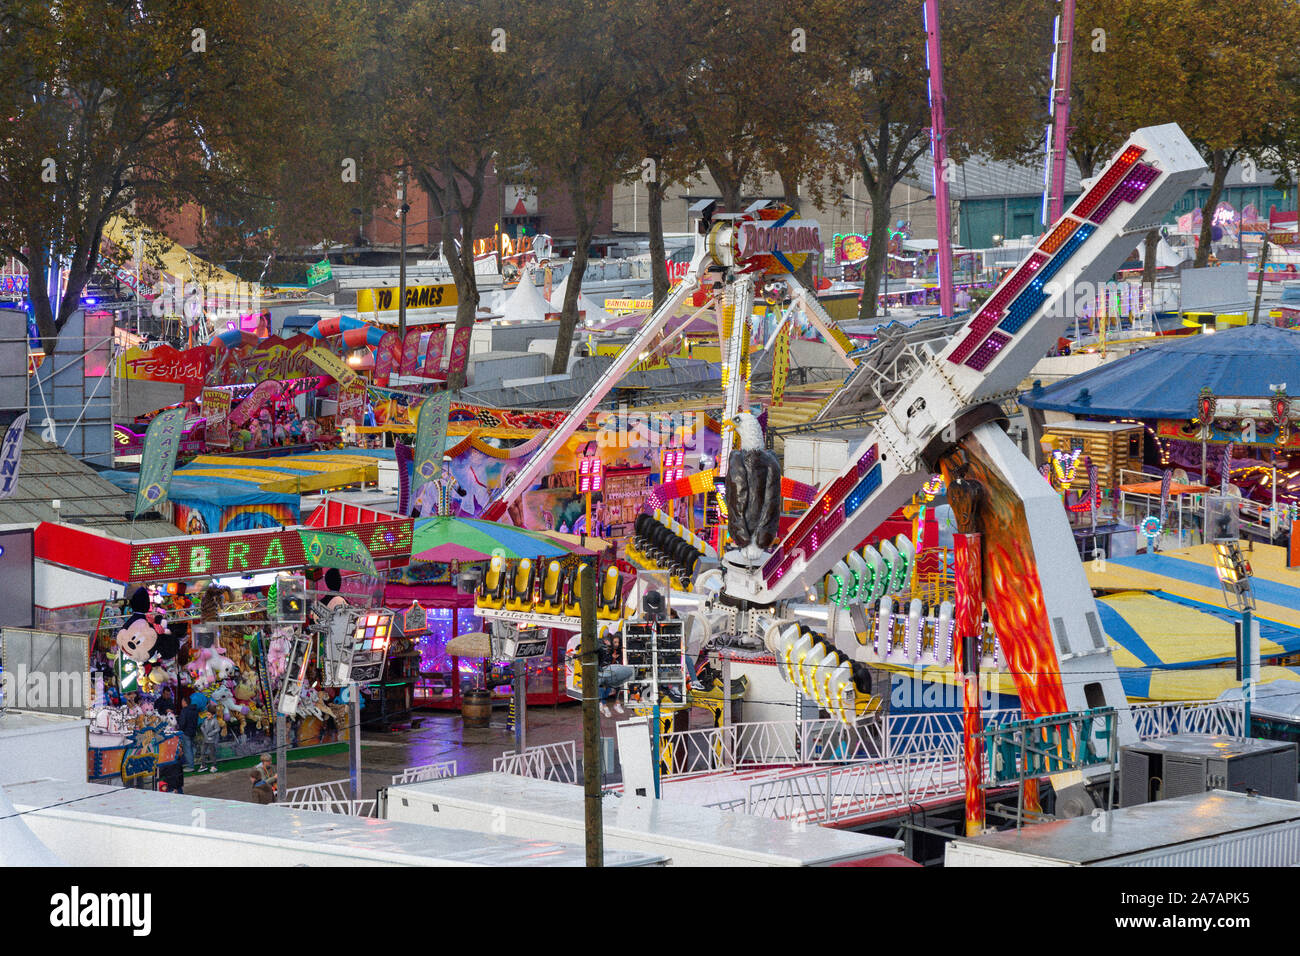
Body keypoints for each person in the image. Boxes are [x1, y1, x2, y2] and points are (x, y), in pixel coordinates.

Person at [176, 694, 199, 769]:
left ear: (185, 702)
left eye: (182, 701)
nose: (181, 703)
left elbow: (182, 723)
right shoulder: (195, 710)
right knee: (191, 749)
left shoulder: (184, 711)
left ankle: (190, 766)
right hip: (193, 731)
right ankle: (192, 764)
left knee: (187, 750)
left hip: (186, 732)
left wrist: (180, 728)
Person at [197, 708, 222, 773]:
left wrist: (210, 734)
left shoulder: (215, 721)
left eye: (209, 715)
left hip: (212, 740)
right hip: (205, 739)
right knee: (202, 752)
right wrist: (205, 733)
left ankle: (214, 766)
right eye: (207, 714)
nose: (207, 716)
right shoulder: (205, 720)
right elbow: (202, 727)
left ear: (213, 715)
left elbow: (217, 729)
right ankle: (203, 765)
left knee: (212, 753)